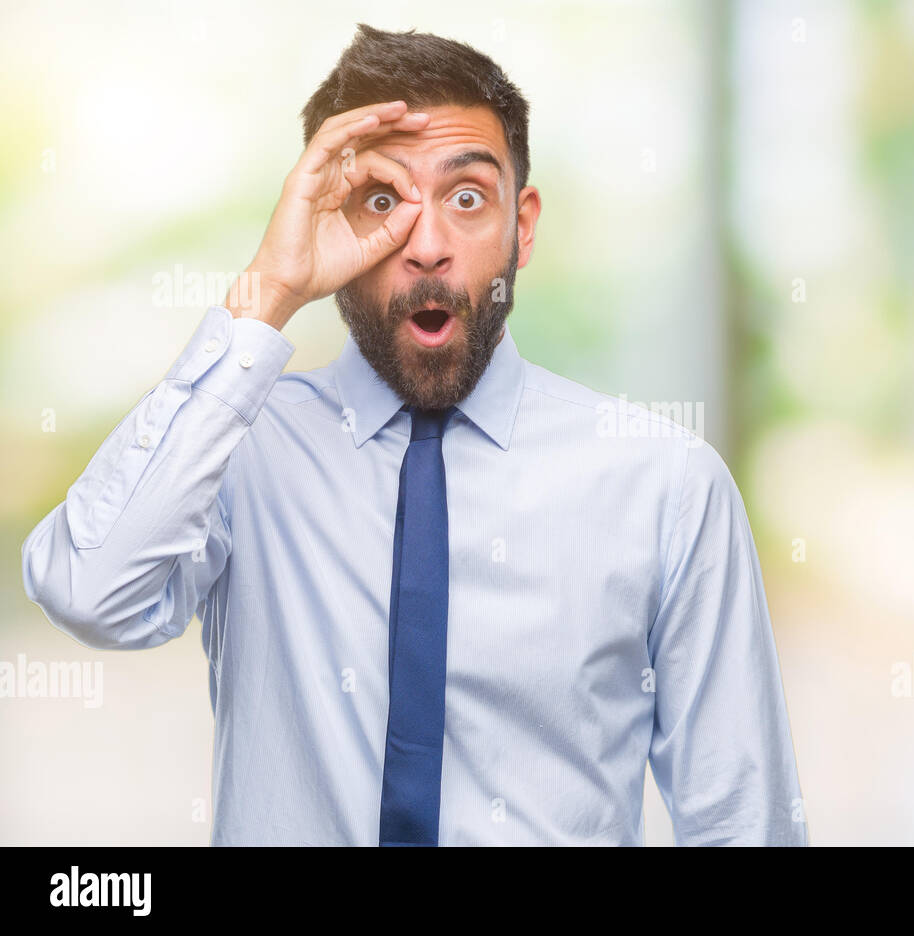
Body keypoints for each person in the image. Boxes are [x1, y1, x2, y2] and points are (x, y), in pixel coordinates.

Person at [20, 24, 807, 846]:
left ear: (522, 226)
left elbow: (743, 823)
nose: (426, 246)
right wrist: (269, 291)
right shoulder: (241, 450)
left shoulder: (666, 485)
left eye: (467, 199)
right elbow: (89, 590)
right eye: (382, 201)